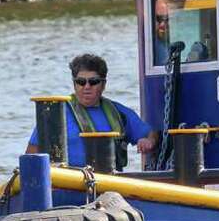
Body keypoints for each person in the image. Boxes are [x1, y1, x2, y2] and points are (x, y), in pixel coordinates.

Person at [26, 53, 158, 168]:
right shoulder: (55, 115)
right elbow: (31, 157)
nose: (87, 87)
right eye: (81, 82)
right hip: (64, 185)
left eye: (93, 82)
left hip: (108, 185)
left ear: (104, 84)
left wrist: (148, 141)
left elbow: (150, 134)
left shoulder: (119, 113)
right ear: (74, 84)